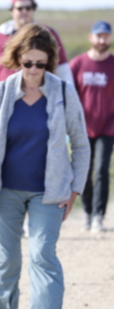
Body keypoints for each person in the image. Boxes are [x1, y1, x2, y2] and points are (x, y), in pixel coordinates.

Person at [0, 24, 90, 309]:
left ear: (49, 61)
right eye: (28, 63)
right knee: (3, 262)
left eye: (41, 63)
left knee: (42, 257)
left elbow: (81, 145)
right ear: (16, 59)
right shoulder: (1, 92)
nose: (34, 70)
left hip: (49, 194)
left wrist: (75, 191)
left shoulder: (63, 92)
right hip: (3, 191)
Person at [0, 0, 72, 126]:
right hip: (6, 104)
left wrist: (69, 102)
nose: (24, 12)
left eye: (28, 8)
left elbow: (63, 71)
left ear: (33, 9)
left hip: (41, 103)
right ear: (12, 10)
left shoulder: (47, 35)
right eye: (20, 8)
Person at [70, 21, 114, 233]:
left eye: (106, 36)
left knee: (102, 171)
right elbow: (68, 96)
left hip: (108, 128)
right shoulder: (77, 64)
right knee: (84, 173)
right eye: (99, 36)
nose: (102, 40)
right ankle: (87, 213)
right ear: (91, 37)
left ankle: (99, 216)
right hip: (82, 129)